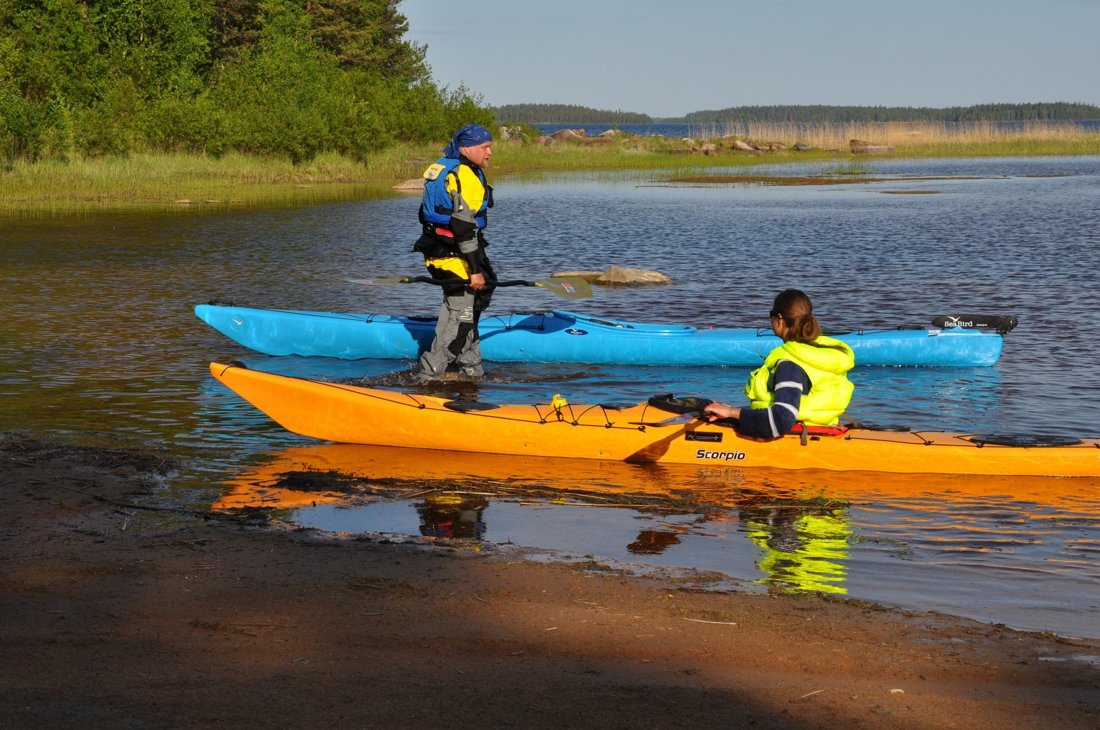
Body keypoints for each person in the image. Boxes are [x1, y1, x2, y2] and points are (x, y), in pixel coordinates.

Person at [704, 289, 855, 438]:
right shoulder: (818, 353)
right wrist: (734, 411)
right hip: (819, 429)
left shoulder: (789, 363)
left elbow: (781, 419)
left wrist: (731, 413)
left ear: (780, 319)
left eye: (771, 315)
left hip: (794, 436)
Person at [413, 123, 496, 380]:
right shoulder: (465, 176)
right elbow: (463, 229)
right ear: (466, 148)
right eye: (484, 147)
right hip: (455, 255)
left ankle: (471, 371)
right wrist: (474, 271)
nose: (490, 152)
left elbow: (423, 214)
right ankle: (428, 376)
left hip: (440, 250)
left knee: (470, 307)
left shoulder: (444, 167)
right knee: (460, 319)